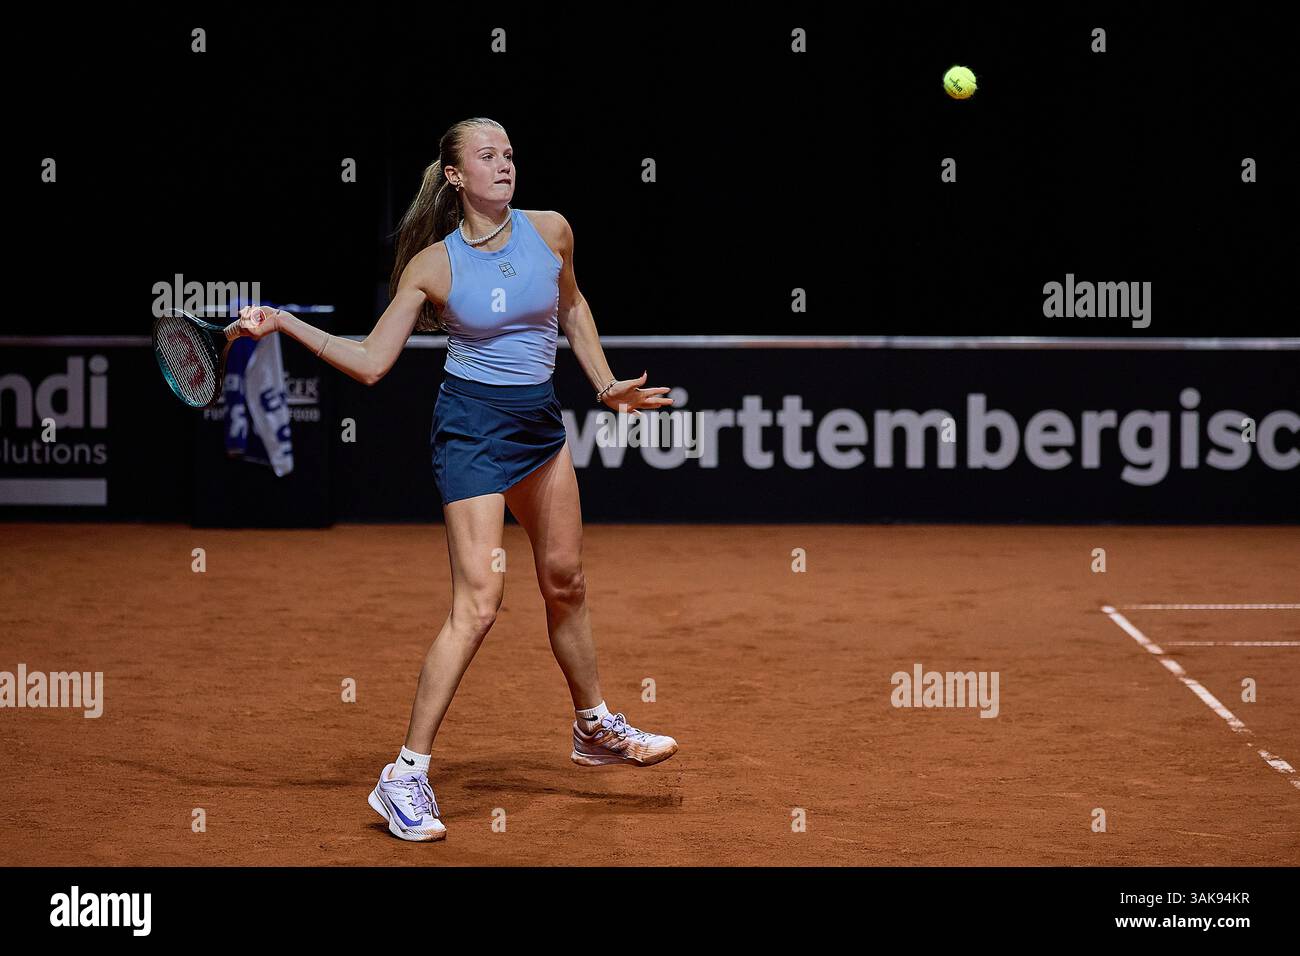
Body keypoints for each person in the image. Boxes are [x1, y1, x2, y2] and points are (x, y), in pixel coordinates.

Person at [234, 116, 679, 842]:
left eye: (509, 153)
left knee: (565, 579)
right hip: (470, 429)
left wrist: (602, 385)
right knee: (479, 605)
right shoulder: (433, 267)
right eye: (487, 155)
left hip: (538, 429)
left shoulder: (552, 230)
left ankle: (592, 726)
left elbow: (571, 303)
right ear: (453, 175)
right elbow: (374, 363)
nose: (504, 164)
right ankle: (404, 774)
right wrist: (284, 323)